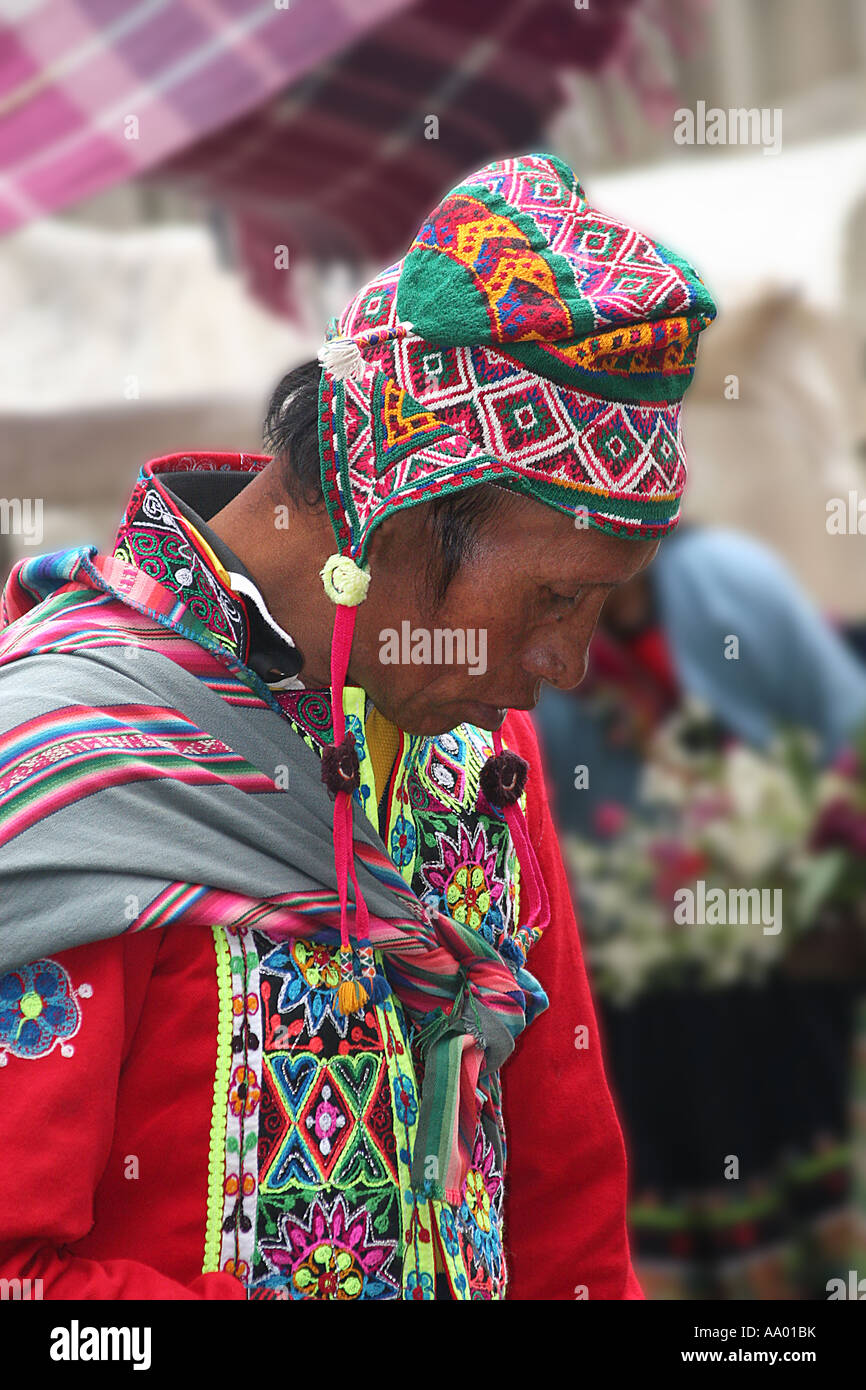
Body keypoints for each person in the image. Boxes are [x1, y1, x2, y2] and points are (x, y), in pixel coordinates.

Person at [0, 152, 715, 1300]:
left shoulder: (476, 752)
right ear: (391, 510)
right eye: (553, 597)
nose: (564, 666)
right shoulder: (71, 775)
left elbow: (565, 1209)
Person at [534, 525, 866, 1298]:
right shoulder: (535, 651)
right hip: (639, 1024)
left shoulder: (730, 582)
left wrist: (817, 874)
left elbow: (847, 735)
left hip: (788, 988)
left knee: (808, 1214)